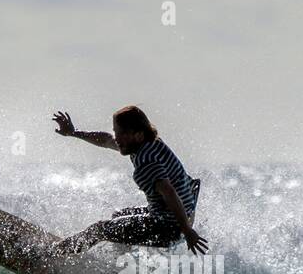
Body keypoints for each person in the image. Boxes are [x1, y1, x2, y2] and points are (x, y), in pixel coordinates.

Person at [53, 106, 209, 256]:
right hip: (182, 215)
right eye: (116, 132)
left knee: (99, 229)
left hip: (170, 226)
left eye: (122, 134)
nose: (117, 138)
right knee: (119, 215)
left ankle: (51, 254)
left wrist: (187, 231)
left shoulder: (146, 161)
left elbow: (169, 192)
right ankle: (121, 265)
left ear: (138, 134)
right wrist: (73, 132)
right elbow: (106, 140)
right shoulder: (148, 142)